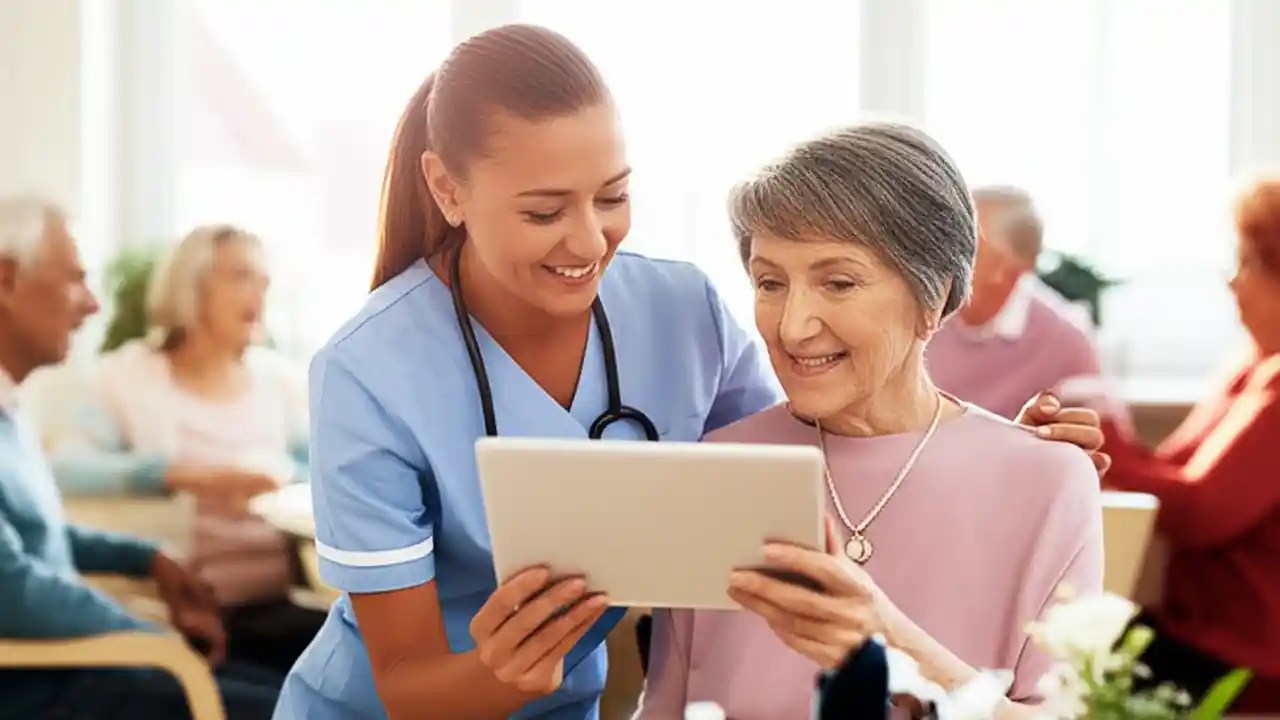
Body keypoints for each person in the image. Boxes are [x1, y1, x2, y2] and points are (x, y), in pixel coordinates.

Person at [274, 24, 1109, 720]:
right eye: (542, 210)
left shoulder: (678, 310)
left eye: (612, 196)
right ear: (447, 190)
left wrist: (1016, 455)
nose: (590, 241)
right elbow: (407, 680)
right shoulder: (370, 370)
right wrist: (508, 669)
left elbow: (815, 430)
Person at [635, 124, 1104, 719]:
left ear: (932, 299)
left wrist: (888, 638)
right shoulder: (718, 468)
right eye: (770, 282)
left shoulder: (1047, 479)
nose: (792, 325)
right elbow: (664, 710)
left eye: (838, 282)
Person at [0, 196, 281, 719]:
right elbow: (11, 589)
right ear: (6, 280)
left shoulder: (9, 410)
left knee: (308, 695)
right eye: (74, 278)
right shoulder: (128, 380)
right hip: (48, 694)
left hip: (88, 670)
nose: (92, 304)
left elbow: (41, 539)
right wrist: (153, 639)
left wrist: (147, 559)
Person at [46, 224, 325, 674]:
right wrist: (183, 475)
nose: (258, 294)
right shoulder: (128, 377)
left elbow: (323, 474)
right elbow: (66, 468)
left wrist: (280, 477)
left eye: (264, 281)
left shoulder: (281, 384)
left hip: (278, 603)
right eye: (240, 277)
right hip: (186, 619)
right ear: (191, 286)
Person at [1099, 175, 1280, 713]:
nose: (1232, 283)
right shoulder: (1248, 365)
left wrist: (1104, 443)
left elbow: (1201, 511)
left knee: (1063, 669)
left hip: (1251, 652)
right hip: (1202, 629)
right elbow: (1171, 469)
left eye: (1247, 263)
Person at [927, 185, 1120, 421]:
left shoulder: (1067, 341)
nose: (947, 255)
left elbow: (1098, 442)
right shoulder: (921, 313)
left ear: (1015, 266)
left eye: (968, 246)